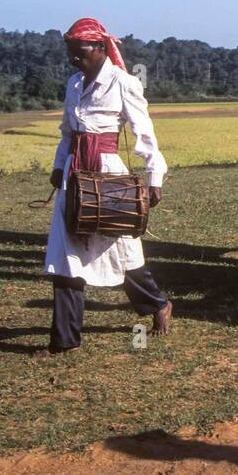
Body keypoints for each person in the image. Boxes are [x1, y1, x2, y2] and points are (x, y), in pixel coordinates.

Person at [43, 18, 171, 354]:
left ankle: (157, 303)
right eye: (70, 52)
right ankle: (65, 341)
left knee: (121, 248)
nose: (74, 58)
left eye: (79, 51)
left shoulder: (122, 82)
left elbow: (145, 133)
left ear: (100, 48)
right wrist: (59, 167)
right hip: (75, 174)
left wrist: (153, 176)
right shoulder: (73, 84)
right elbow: (68, 133)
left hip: (106, 174)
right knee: (66, 254)